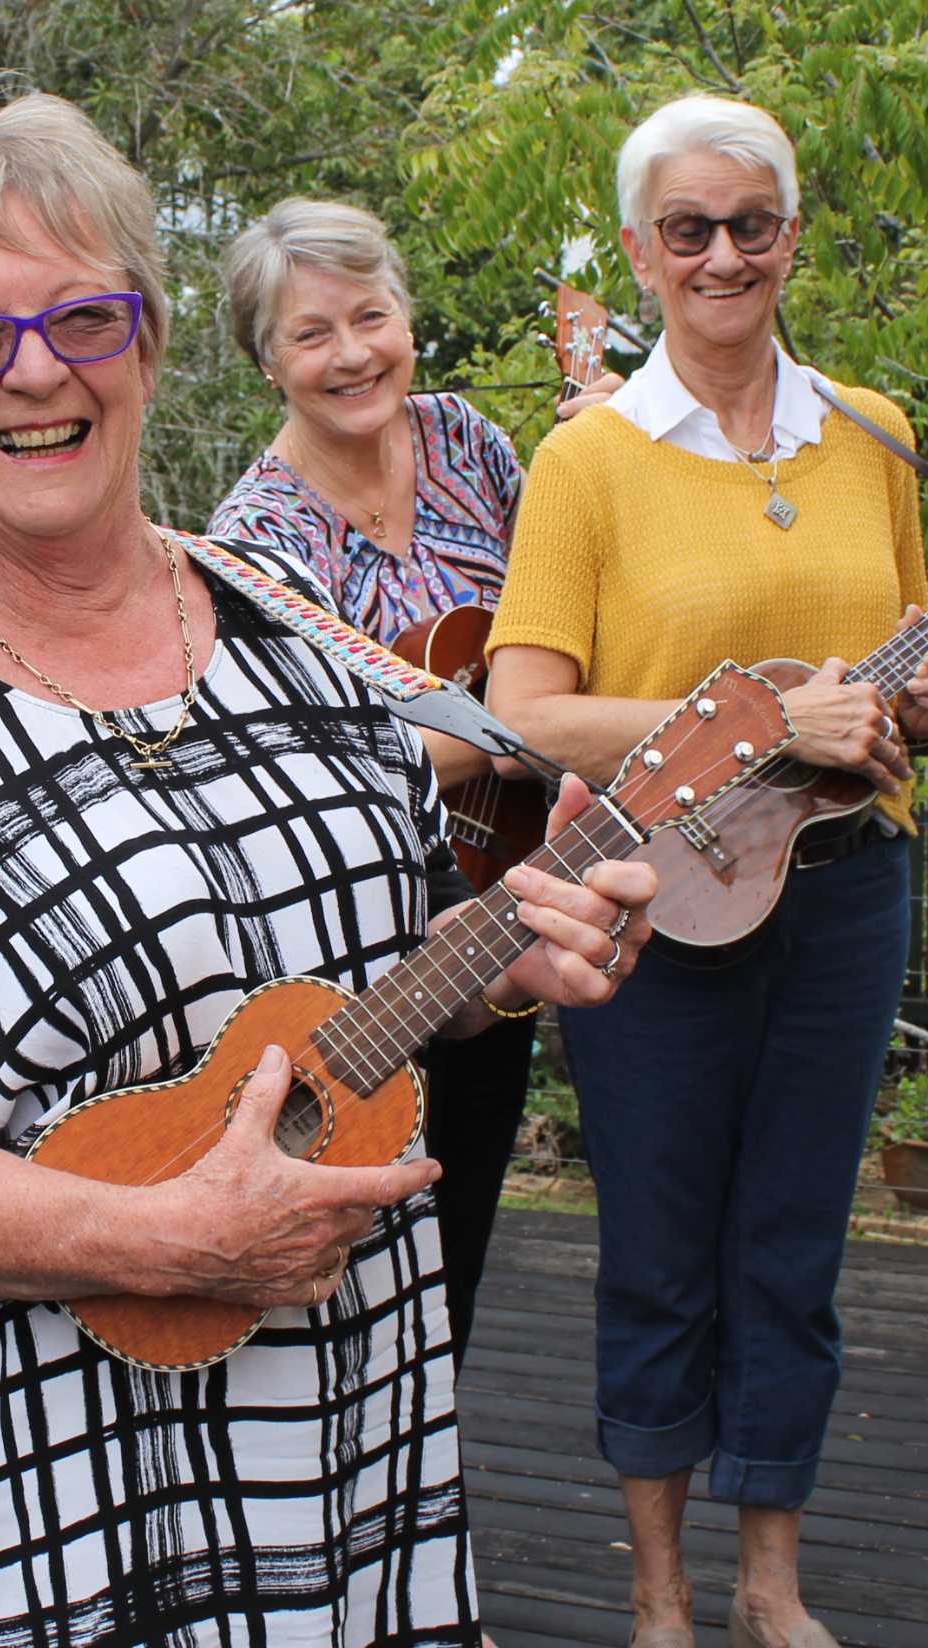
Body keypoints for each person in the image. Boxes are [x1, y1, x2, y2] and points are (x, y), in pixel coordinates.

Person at [0, 90, 660, 1647]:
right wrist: (158, 1241)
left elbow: (363, 963)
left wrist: (509, 947)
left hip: (370, 1423)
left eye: (82, 316)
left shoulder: (292, 623)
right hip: (89, 1490)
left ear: (152, 343)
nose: (36, 372)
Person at [484, 95, 928, 1648]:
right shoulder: (591, 460)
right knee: (658, 1235)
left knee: (795, 1239)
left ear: (792, 237)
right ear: (642, 252)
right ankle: (659, 1595)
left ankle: (773, 1580)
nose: (724, 255)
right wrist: (760, 714)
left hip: (841, 881)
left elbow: (896, 673)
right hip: (654, 892)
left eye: (752, 223)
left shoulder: (873, 430)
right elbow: (524, 713)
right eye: (689, 230)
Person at [206, 196, 621, 1350]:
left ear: (407, 318)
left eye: (370, 316)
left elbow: (575, 606)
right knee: (353, 1264)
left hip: (509, 895)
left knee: (462, 1259)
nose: (351, 353)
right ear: (264, 359)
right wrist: (517, 719)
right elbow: (318, 757)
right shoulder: (254, 535)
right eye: (310, 333)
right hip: (364, 936)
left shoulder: (471, 443)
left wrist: (612, 454)